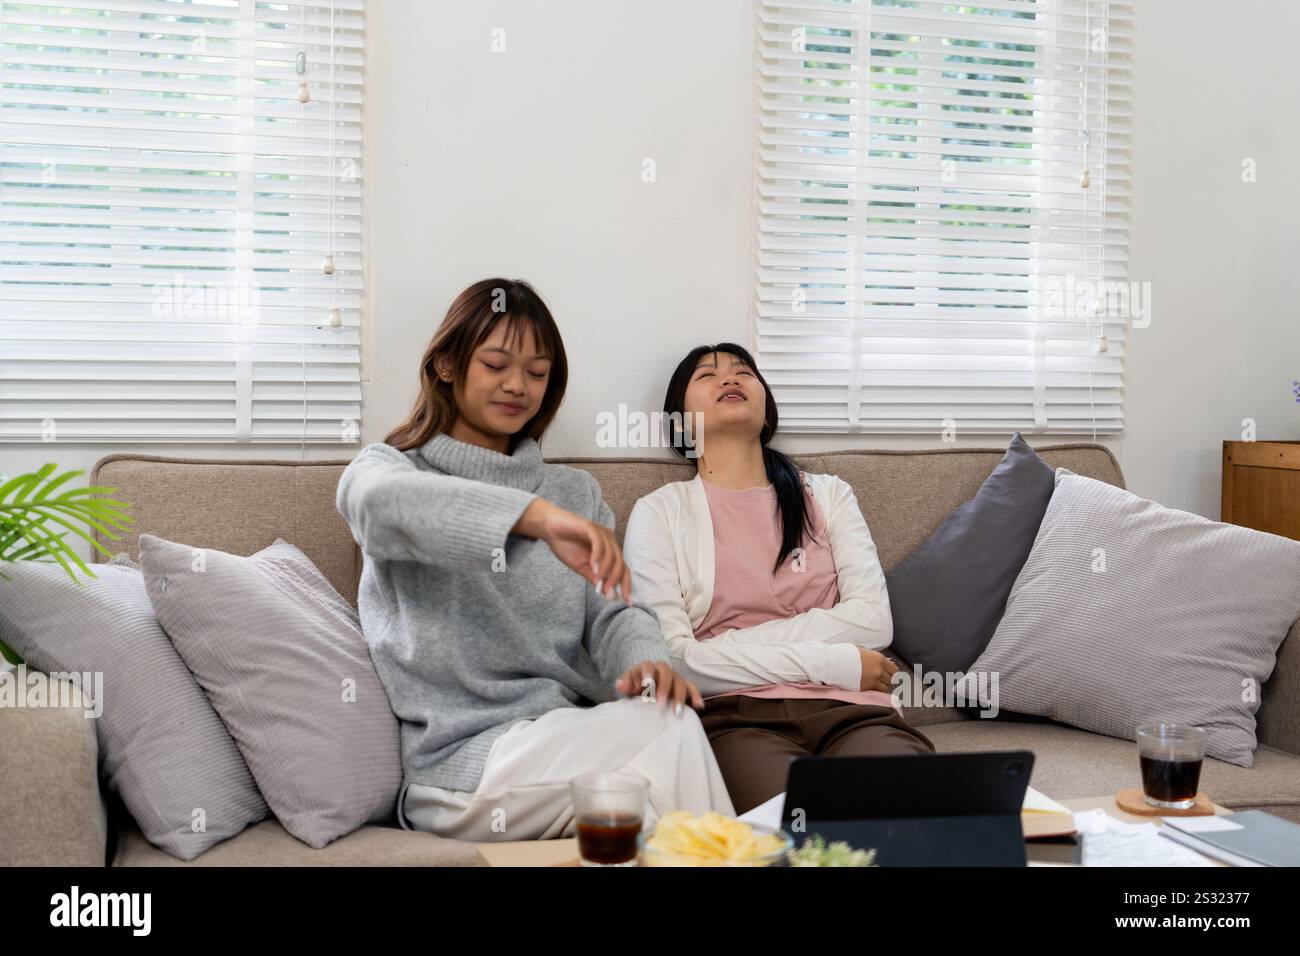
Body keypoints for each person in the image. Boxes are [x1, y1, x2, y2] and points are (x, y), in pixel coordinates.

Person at [336, 279, 734, 841]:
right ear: (448, 365)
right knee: (668, 739)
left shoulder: (576, 492)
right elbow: (377, 508)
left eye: (537, 372)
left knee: (659, 758)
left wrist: (646, 667)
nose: (517, 386)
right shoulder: (391, 471)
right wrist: (536, 519)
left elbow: (615, 612)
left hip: (565, 736)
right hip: (462, 768)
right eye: (497, 364)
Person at [623, 342, 935, 814]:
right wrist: (835, 663)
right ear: (681, 424)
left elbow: (873, 622)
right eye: (706, 376)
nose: (729, 379)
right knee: (794, 830)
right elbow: (674, 665)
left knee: (915, 812)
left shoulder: (829, 495)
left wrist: (720, 648)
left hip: (854, 711)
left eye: (743, 372)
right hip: (735, 718)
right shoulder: (659, 513)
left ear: (766, 406)